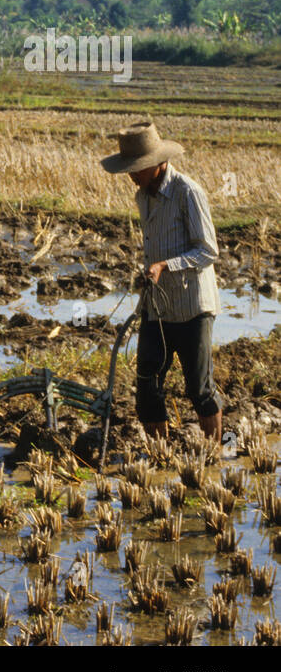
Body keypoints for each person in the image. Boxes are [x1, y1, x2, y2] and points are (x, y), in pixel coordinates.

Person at [100, 122, 222, 444]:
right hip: (157, 306)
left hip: (193, 306)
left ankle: (212, 456)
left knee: (200, 389)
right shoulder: (143, 197)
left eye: (137, 169)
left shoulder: (187, 192)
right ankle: (160, 454)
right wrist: (150, 272)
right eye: (129, 170)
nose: (132, 176)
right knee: (147, 387)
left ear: (158, 163)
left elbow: (208, 251)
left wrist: (166, 265)